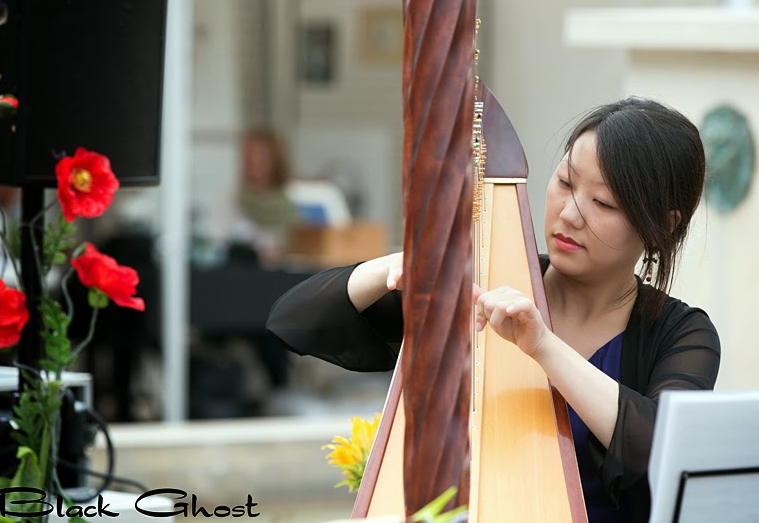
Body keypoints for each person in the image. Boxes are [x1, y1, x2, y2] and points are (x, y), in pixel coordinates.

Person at [265, 98, 721, 522]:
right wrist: (400, 262)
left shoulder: (683, 334)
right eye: (564, 182)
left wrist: (542, 346)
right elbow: (293, 321)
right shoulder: (486, 286)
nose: (568, 214)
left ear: (662, 224)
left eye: (602, 203)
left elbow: (661, 450)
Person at [218, 129, 298, 268]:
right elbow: (219, 240)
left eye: (259, 156)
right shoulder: (233, 198)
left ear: (275, 159)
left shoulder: (294, 196)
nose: (252, 162)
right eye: (247, 156)